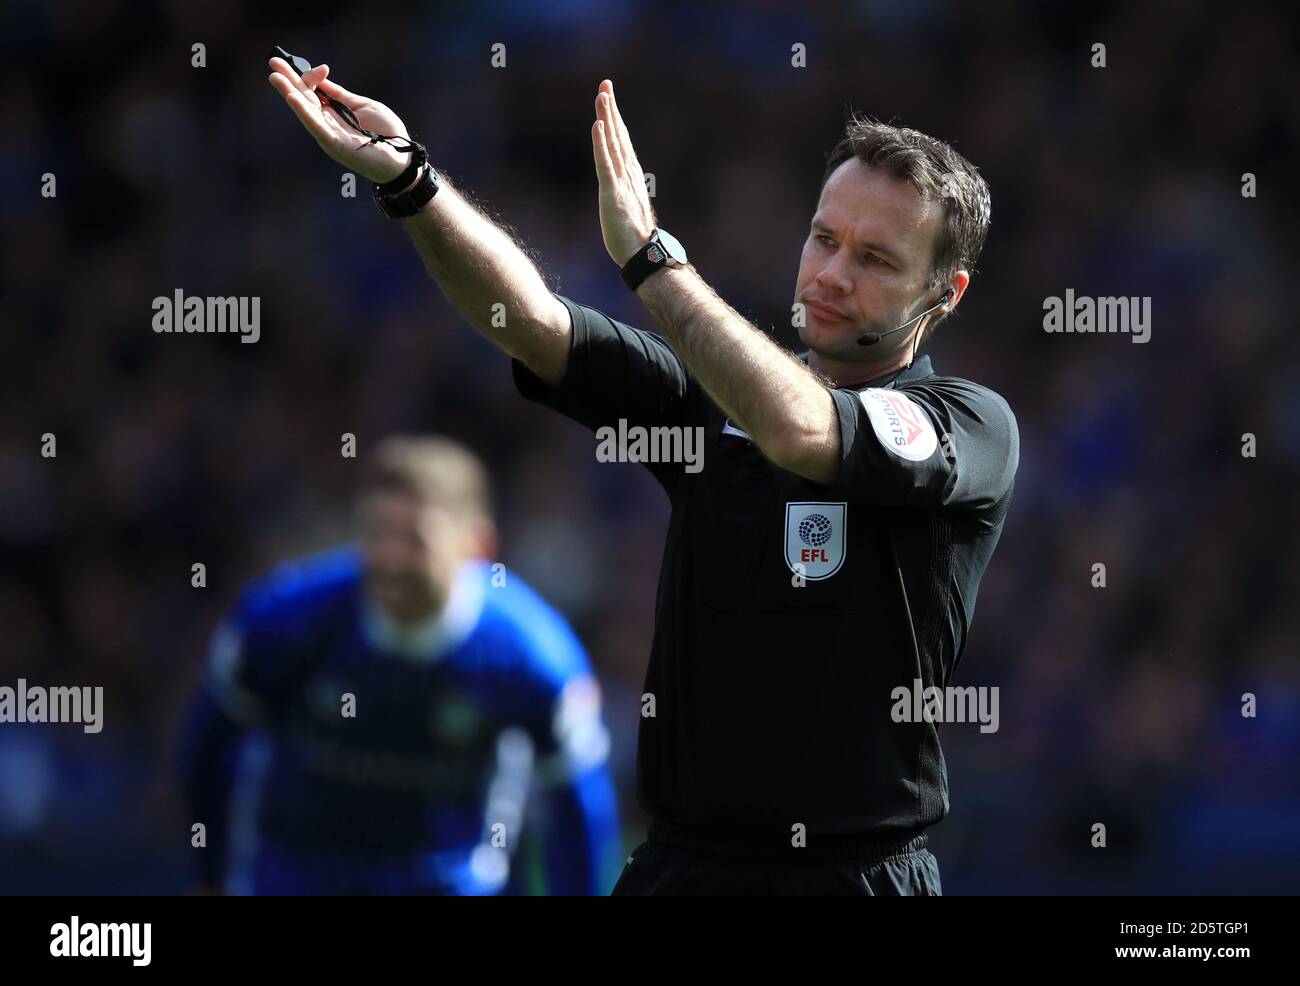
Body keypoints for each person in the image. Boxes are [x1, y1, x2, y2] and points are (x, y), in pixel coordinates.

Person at [267, 58, 1017, 895]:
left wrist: (654, 264)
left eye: (876, 259)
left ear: (942, 295)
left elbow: (805, 430)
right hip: (681, 870)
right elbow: (532, 323)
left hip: (853, 877)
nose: (834, 273)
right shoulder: (708, 409)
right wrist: (413, 180)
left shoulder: (968, 427)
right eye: (824, 238)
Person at [179, 435, 621, 895]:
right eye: (377, 534)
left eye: (415, 540)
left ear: (478, 546)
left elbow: (577, 810)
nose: (390, 558)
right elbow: (207, 754)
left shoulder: (533, 658)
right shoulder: (281, 624)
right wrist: (210, 879)